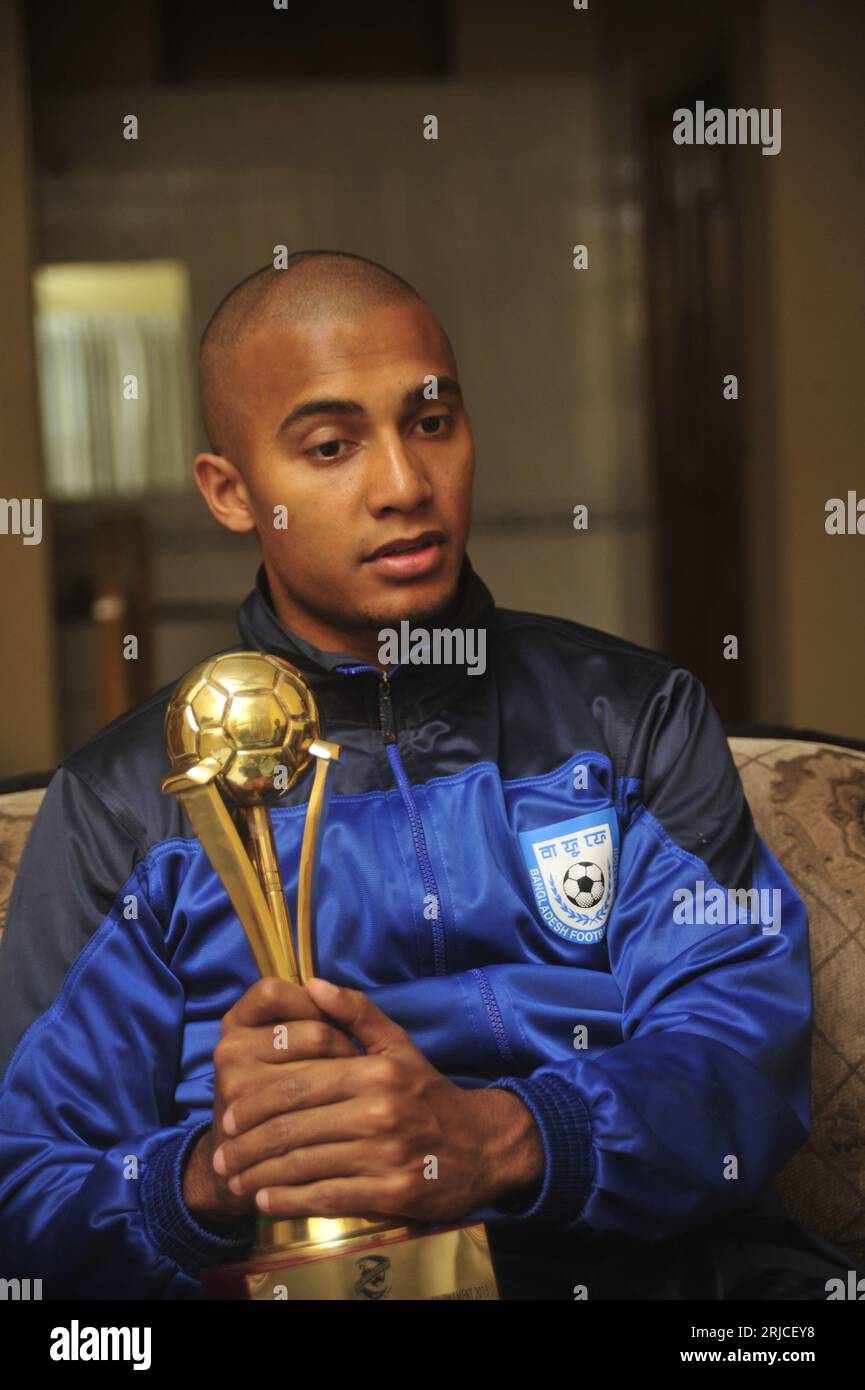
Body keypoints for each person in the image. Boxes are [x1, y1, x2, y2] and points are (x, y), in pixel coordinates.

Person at [0, 251, 855, 1300]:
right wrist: (214, 1172)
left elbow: (739, 1063)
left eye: (432, 421)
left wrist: (493, 1139)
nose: (404, 485)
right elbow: (27, 1192)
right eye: (329, 446)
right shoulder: (125, 802)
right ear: (230, 491)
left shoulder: (631, 720)